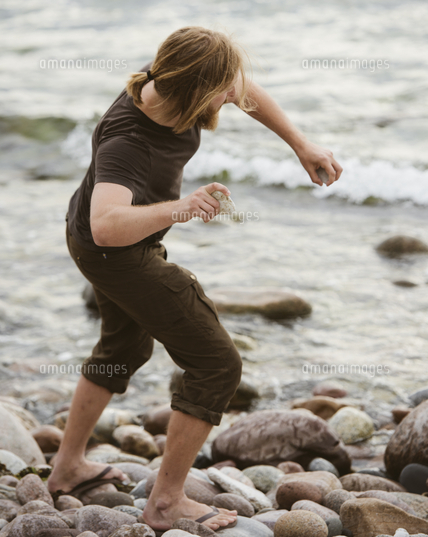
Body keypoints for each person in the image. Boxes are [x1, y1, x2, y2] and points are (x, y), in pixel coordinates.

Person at [47, 26, 342, 531]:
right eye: (219, 94)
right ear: (191, 91)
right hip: (112, 249)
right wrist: (181, 208)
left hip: (99, 242)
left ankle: (67, 468)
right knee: (216, 364)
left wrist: (300, 143)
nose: (230, 99)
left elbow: (243, 89)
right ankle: (165, 503)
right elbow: (107, 224)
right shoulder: (127, 141)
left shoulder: (169, 77)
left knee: (121, 350)